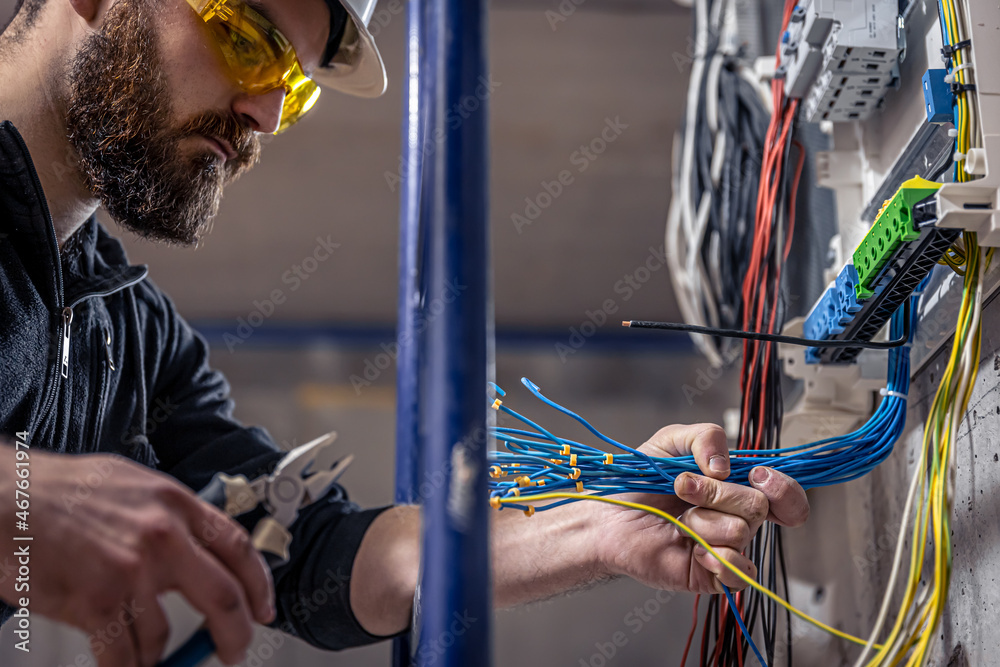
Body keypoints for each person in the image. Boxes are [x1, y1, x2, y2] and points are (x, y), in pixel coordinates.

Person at [0, 0, 811, 665]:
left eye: (294, 86)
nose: (266, 116)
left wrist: (597, 522)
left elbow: (317, 557)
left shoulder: (127, 336)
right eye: (246, 38)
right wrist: (25, 498)